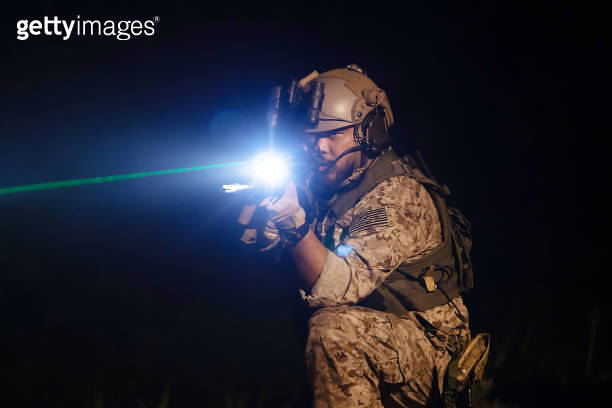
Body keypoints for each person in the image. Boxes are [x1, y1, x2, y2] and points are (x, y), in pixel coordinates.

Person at [239, 64, 475, 407]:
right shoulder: (323, 182)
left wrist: (293, 222)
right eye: (311, 136)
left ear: (368, 133)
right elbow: (260, 249)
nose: (318, 147)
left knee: (332, 331)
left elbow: (339, 289)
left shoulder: (396, 196)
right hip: (378, 334)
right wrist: (262, 208)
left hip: (431, 350)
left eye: (332, 135)